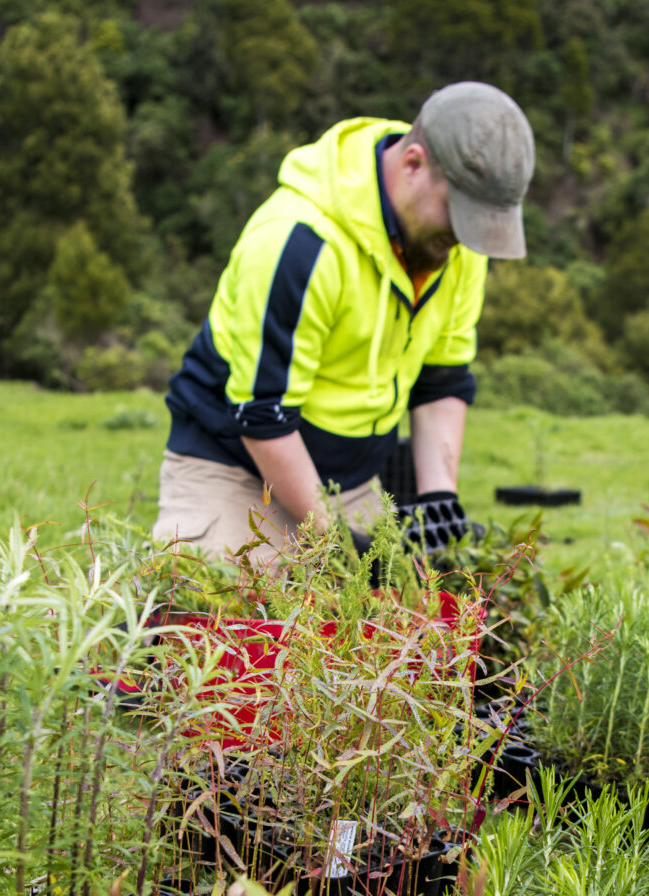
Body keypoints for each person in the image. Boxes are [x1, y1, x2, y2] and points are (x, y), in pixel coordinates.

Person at [157, 82, 534, 560]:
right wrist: (334, 541)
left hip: (351, 481)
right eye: (457, 215)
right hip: (236, 468)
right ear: (413, 163)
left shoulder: (451, 247)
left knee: (392, 623)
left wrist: (439, 496)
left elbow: (441, 380)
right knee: (224, 621)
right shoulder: (297, 244)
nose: (463, 239)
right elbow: (262, 414)